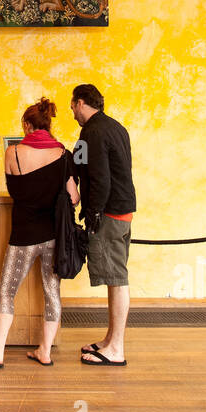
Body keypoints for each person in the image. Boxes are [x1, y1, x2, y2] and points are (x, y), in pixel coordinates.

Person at [0, 98, 78, 368]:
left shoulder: (13, 153)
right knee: (52, 293)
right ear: (48, 124)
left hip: (24, 235)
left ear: (27, 125)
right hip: (53, 235)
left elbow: (15, 192)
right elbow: (73, 198)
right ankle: (45, 352)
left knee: (6, 291)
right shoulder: (64, 155)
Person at [71, 84, 136, 367]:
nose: (72, 112)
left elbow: (100, 177)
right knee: (113, 276)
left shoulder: (94, 131)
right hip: (120, 208)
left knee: (117, 278)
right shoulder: (114, 127)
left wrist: (93, 212)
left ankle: (116, 350)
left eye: (73, 106)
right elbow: (80, 161)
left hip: (109, 212)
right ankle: (110, 341)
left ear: (81, 102)